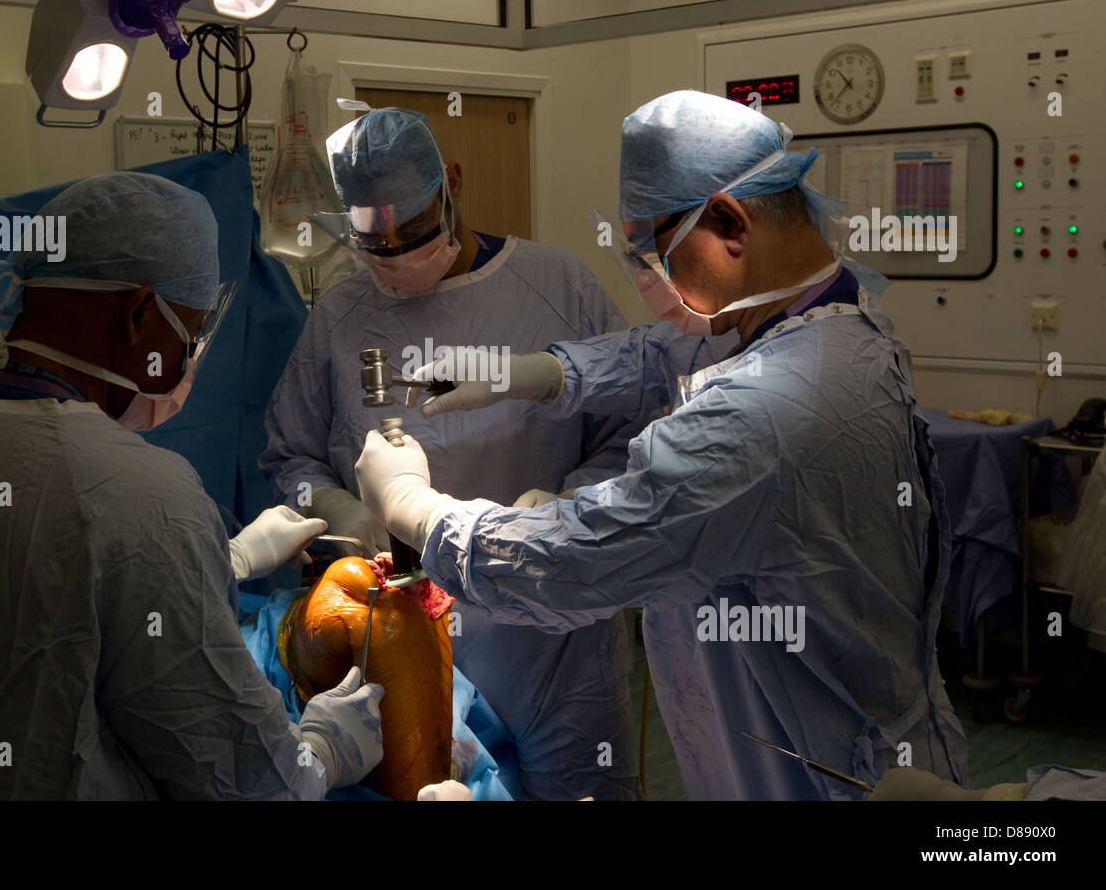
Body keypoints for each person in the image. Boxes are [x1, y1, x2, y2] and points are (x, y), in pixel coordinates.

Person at [353, 90, 970, 800]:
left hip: (816, 765)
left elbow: (573, 560)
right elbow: (662, 355)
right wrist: (525, 374)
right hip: (830, 726)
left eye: (651, 253)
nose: (650, 280)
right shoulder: (826, 317)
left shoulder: (765, 416)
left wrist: (414, 508)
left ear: (730, 224)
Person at [0, 171, 383, 800]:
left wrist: (223, 562)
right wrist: (322, 752)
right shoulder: (140, 495)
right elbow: (246, 782)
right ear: (140, 315)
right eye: (193, 331)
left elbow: (17, 600)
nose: (190, 360)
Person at [260, 107, 653, 800]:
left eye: (412, 232)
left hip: (552, 642)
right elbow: (289, 458)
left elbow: (631, 435)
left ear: (453, 184)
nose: (396, 254)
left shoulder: (556, 286)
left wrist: (565, 503)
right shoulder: (340, 316)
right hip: (410, 651)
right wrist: (341, 510)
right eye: (373, 242)